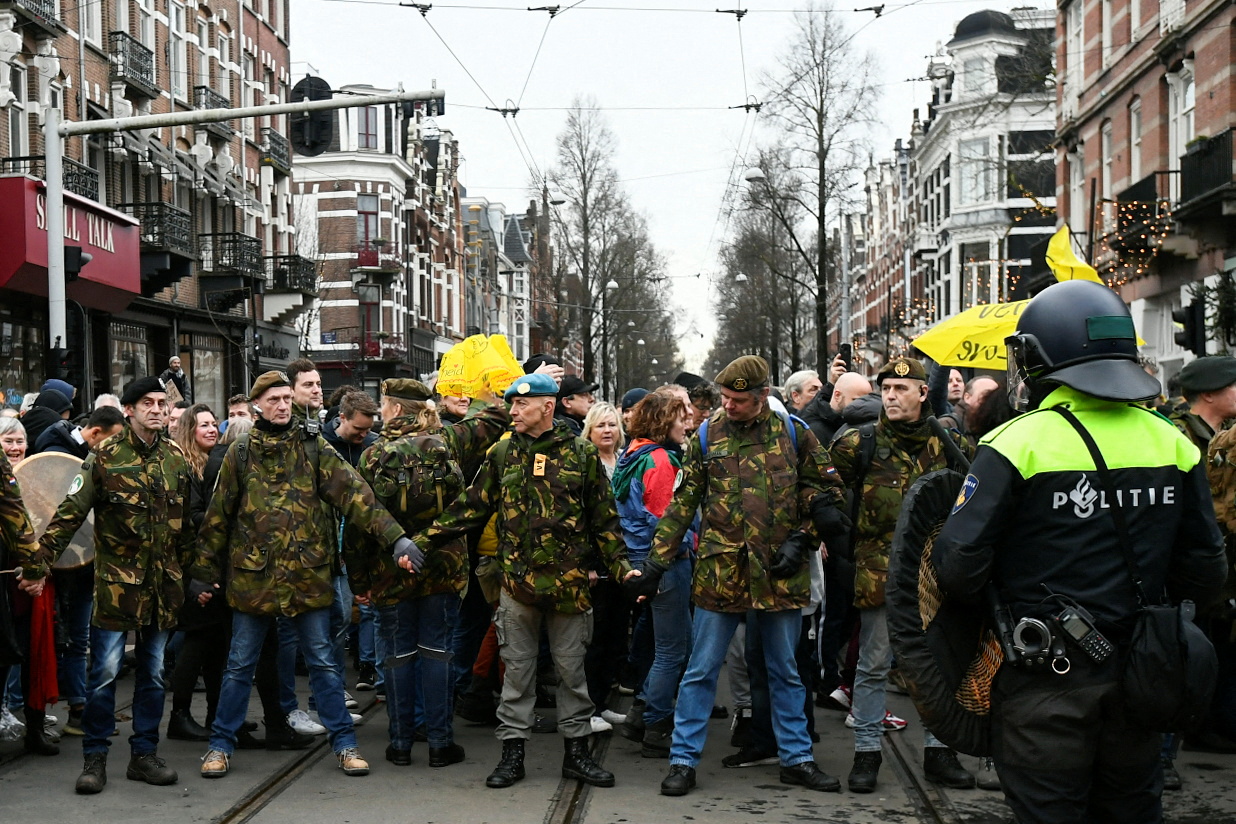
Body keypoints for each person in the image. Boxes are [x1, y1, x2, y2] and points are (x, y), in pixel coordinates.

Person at [933, 280, 1226, 824]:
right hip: (1144, 677)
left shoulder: (1016, 442)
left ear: (1043, 357)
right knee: (1133, 808)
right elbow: (1206, 573)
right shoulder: (1173, 441)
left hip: (1046, 683)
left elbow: (957, 568)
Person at [632, 355, 850, 797]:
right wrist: (657, 563)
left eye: (737, 400)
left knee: (785, 671)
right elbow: (682, 503)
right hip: (721, 573)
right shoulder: (707, 435)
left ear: (762, 396)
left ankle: (797, 758)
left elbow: (829, 491)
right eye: (725, 398)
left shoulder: (794, 432)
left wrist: (803, 539)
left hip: (779, 572)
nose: (727, 406)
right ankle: (683, 761)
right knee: (700, 672)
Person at [408, 372, 638, 790]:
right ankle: (512, 756)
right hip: (517, 586)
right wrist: (419, 542)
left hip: (568, 588)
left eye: (520, 405)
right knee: (516, 675)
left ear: (547, 408)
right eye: (511, 403)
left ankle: (577, 755)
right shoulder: (503, 454)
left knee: (572, 674)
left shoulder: (581, 454)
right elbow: (470, 508)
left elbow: (604, 519)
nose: (512, 411)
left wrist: (622, 570)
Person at [192, 371, 414, 780]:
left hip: (306, 576)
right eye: (273, 399)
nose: (280, 406)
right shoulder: (240, 452)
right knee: (239, 664)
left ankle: (345, 744)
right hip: (253, 579)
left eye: (285, 399)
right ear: (258, 404)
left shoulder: (313, 448)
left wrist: (396, 538)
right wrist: (203, 575)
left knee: (324, 664)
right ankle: (220, 745)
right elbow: (217, 517)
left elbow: (357, 496)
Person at [17, 376, 191, 793]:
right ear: (128, 411)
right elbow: (68, 516)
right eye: (146, 403)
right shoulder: (104, 457)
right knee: (105, 674)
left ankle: (144, 755)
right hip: (117, 587)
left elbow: (187, 527)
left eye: (161, 403)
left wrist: (193, 574)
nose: (156, 409)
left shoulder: (175, 459)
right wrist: (38, 564)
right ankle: (95, 757)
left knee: (152, 674)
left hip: (161, 588)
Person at [830, 356, 976, 794]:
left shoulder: (948, 440)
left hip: (935, 574)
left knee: (939, 666)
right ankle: (867, 754)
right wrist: (841, 551)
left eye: (900, 388)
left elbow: (973, 493)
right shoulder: (860, 443)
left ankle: (939, 751)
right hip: (881, 573)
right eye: (886, 388)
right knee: (873, 667)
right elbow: (827, 494)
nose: (891, 396)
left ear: (922, 394)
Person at [348, 378, 509, 768]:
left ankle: (400, 744)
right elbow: (494, 419)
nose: (380, 411)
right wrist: (490, 386)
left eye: (385, 404)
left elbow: (358, 523)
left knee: (398, 655)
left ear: (398, 409)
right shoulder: (449, 442)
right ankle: (440, 743)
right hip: (443, 566)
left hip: (391, 569)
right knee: (438, 652)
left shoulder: (373, 456)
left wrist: (359, 580)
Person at [612, 388, 695, 757]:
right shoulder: (661, 461)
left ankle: (641, 712)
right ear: (665, 421)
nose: (687, 423)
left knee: (673, 646)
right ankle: (656, 725)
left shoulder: (632, 454)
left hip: (639, 559)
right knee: (672, 651)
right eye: (681, 416)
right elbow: (668, 520)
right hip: (665, 564)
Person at [580, 402, 628, 733]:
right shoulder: (586, 463)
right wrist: (590, 564)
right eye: (600, 426)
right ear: (590, 432)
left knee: (615, 635)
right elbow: (585, 518)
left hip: (621, 560)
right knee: (594, 638)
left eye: (612, 425)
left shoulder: (624, 462)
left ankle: (605, 704)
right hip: (597, 564)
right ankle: (589, 707)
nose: (607, 430)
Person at [35, 405, 124, 458]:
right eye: (113, 440)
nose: (115, 447)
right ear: (95, 433)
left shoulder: (83, 451)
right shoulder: (58, 455)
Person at [288, 358, 325, 423]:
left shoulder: (321, 424)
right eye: (308, 385)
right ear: (291, 390)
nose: (316, 390)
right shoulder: (282, 423)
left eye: (318, 385)